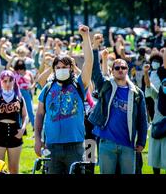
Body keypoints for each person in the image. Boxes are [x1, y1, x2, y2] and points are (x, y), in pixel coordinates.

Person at [34, 25, 93, 174]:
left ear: (71, 68)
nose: (62, 69)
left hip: (75, 145)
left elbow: (89, 63)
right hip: (52, 146)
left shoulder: (79, 84)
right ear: (54, 70)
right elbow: (40, 114)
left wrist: (85, 38)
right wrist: (37, 139)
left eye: (65, 66)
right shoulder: (48, 88)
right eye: (58, 67)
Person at [89, 34, 148, 174]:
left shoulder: (137, 93)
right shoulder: (106, 86)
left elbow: (142, 120)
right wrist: (95, 47)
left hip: (128, 144)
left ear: (127, 70)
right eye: (117, 68)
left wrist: (141, 141)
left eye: (123, 67)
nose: (120, 70)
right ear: (112, 71)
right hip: (106, 143)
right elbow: (95, 71)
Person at [0, 54, 27, 174]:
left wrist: (23, 129)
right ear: (0, 81)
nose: (7, 83)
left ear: (14, 81)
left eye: (10, 80)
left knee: (14, 169)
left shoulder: (19, 96)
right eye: (5, 81)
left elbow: (25, 115)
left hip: (15, 132)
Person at [144, 48, 166, 174]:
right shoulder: (158, 95)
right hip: (158, 124)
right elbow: (148, 86)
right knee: (154, 155)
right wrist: (146, 74)